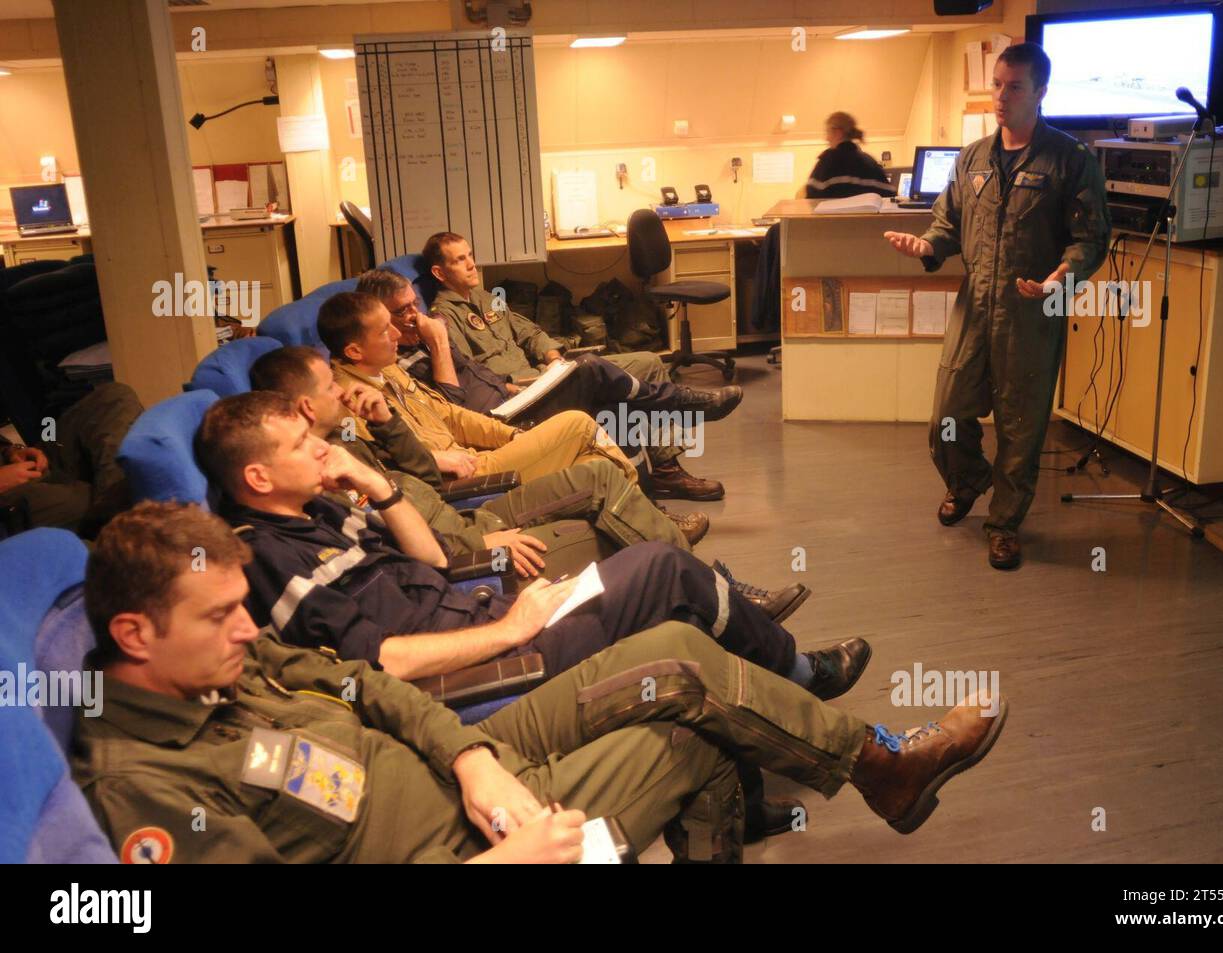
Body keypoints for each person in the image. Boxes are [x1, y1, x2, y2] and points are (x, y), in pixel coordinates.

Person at [74, 501, 1009, 863]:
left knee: (678, 651)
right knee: (692, 737)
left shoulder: (226, 660)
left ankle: (878, 764)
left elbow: (374, 689)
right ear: (132, 633)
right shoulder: (143, 785)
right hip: (460, 848)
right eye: (219, 613)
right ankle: (880, 771)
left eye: (243, 603)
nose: (248, 624)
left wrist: (473, 754)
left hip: (468, 771)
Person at [194, 391, 858, 698]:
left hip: (477, 612)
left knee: (675, 600)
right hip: (476, 662)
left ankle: (776, 712)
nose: (321, 447)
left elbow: (427, 561)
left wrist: (376, 485)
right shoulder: (266, 555)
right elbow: (384, 661)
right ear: (256, 476)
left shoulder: (320, 506)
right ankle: (799, 675)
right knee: (663, 571)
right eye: (300, 445)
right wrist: (512, 627)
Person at [884, 43, 1109, 570]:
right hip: (975, 308)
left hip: (1031, 312)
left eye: (1014, 87)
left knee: (1020, 426)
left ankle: (1004, 523)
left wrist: (1061, 277)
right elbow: (947, 222)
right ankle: (967, 480)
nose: (1001, 98)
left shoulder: (1070, 161)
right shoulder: (973, 158)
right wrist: (929, 246)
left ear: (1041, 91)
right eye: (997, 85)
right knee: (946, 415)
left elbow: (1090, 239)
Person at [248, 344, 711, 575]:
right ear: (308, 407)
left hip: (462, 515)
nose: (341, 393)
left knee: (600, 472)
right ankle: (700, 581)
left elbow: (423, 473)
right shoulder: (326, 472)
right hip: (467, 531)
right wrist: (480, 542)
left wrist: (388, 422)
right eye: (330, 387)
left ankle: (692, 570)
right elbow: (404, 546)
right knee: (592, 453)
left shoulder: (345, 441)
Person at [419, 236, 733, 501]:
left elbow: (529, 331)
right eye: (460, 260)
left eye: (470, 256)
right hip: (521, 391)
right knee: (596, 375)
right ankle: (682, 403)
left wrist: (553, 356)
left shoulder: (486, 297)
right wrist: (524, 381)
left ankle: (665, 469)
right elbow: (473, 373)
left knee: (649, 362)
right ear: (439, 272)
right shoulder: (443, 316)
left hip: (545, 374)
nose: (472, 264)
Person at [317, 290, 640, 488]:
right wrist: (436, 459)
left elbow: (451, 414)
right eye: (383, 331)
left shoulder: (387, 369)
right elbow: (385, 465)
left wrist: (511, 436)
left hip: (477, 456)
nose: (397, 335)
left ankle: (644, 529)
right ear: (354, 351)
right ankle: (651, 525)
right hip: (462, 478)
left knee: (596, 467)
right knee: (578, 422)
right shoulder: (349, 400)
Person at [0, 381, 142, 537]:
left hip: (20, 466)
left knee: (115, 396)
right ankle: (124, 524)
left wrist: (10, 451)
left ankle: (117, 507)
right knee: (88, 500)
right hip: (8, 500)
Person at [803, 111, 893, 199]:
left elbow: (811, 199)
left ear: (838, 133)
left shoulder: (826, 162)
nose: (826, 139)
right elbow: (890, 195)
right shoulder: (870, 162)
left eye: (827, 132)